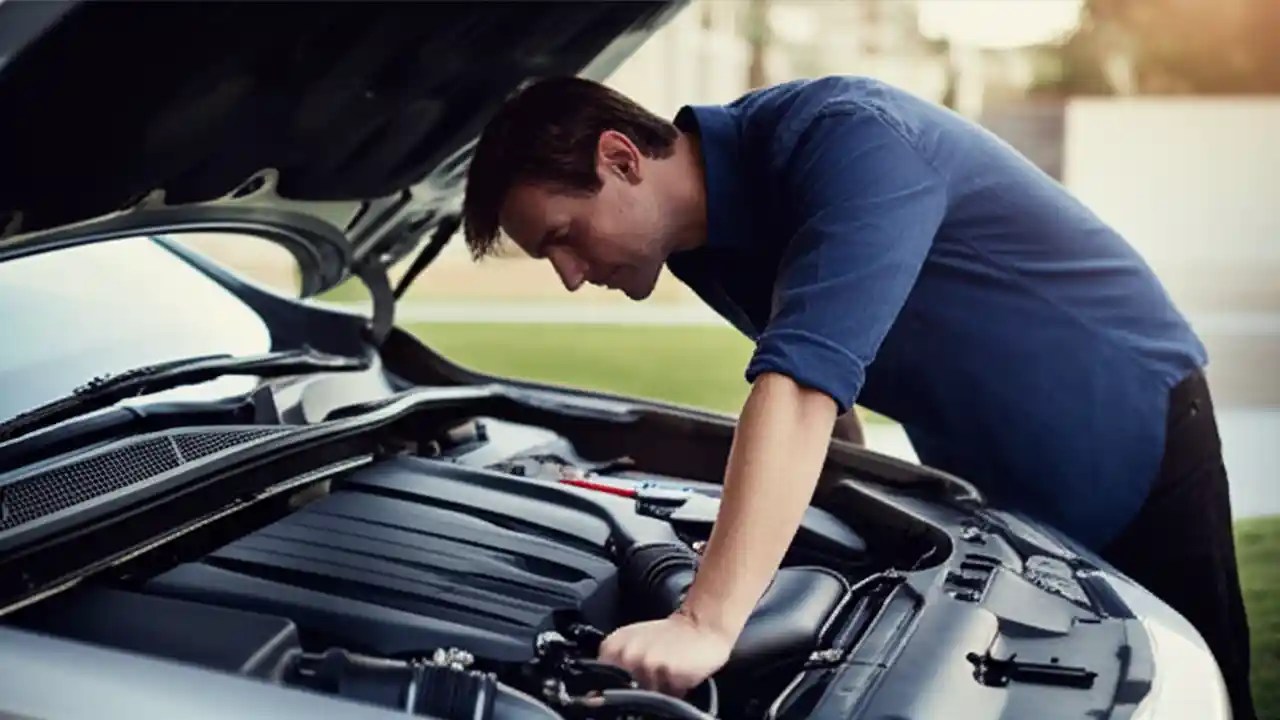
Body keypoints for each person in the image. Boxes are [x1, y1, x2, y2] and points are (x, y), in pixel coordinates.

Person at [459, 75, 1257, 718]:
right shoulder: (702, 245)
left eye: (563, 236)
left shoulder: (851, 139)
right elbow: (831, 392)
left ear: (621, 158)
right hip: (995, 466)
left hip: (1130, 426)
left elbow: (802, 385)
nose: (569, 277)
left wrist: (706, 619)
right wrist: (818, 533)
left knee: (1196, 694)